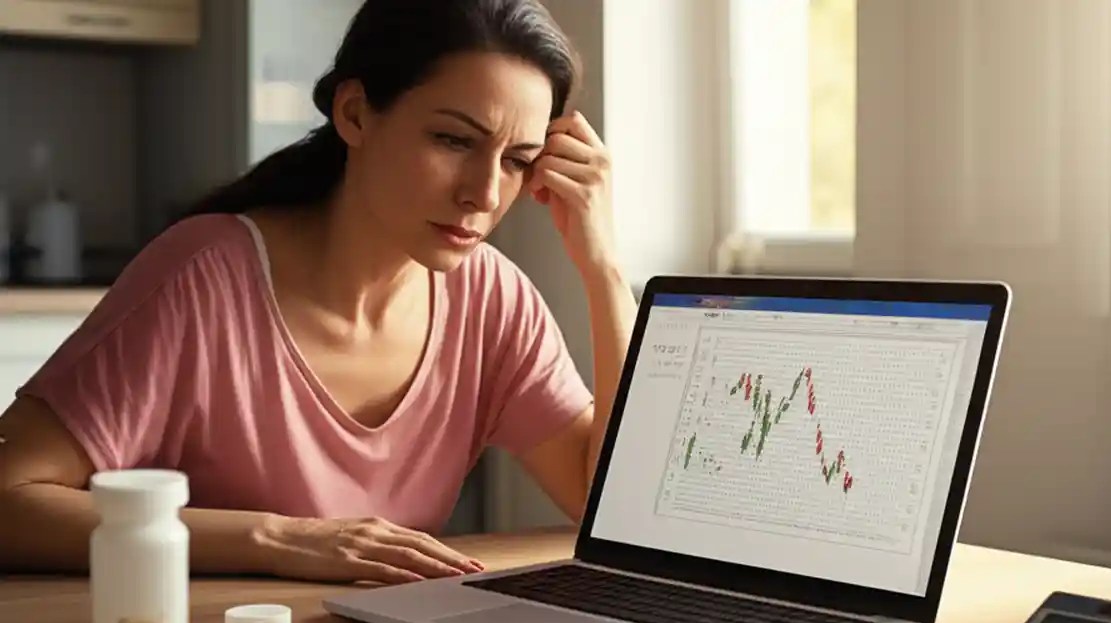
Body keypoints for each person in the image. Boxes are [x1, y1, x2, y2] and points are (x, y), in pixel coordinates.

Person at [0, 0, 636, 585]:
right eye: (453, 140)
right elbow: (10, 498)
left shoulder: (493, 301)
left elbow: (607, 505)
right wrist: (280, 540)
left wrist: (603, 266)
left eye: (516, 160)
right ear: (355, 114)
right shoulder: (204, 275)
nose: (486, 194)